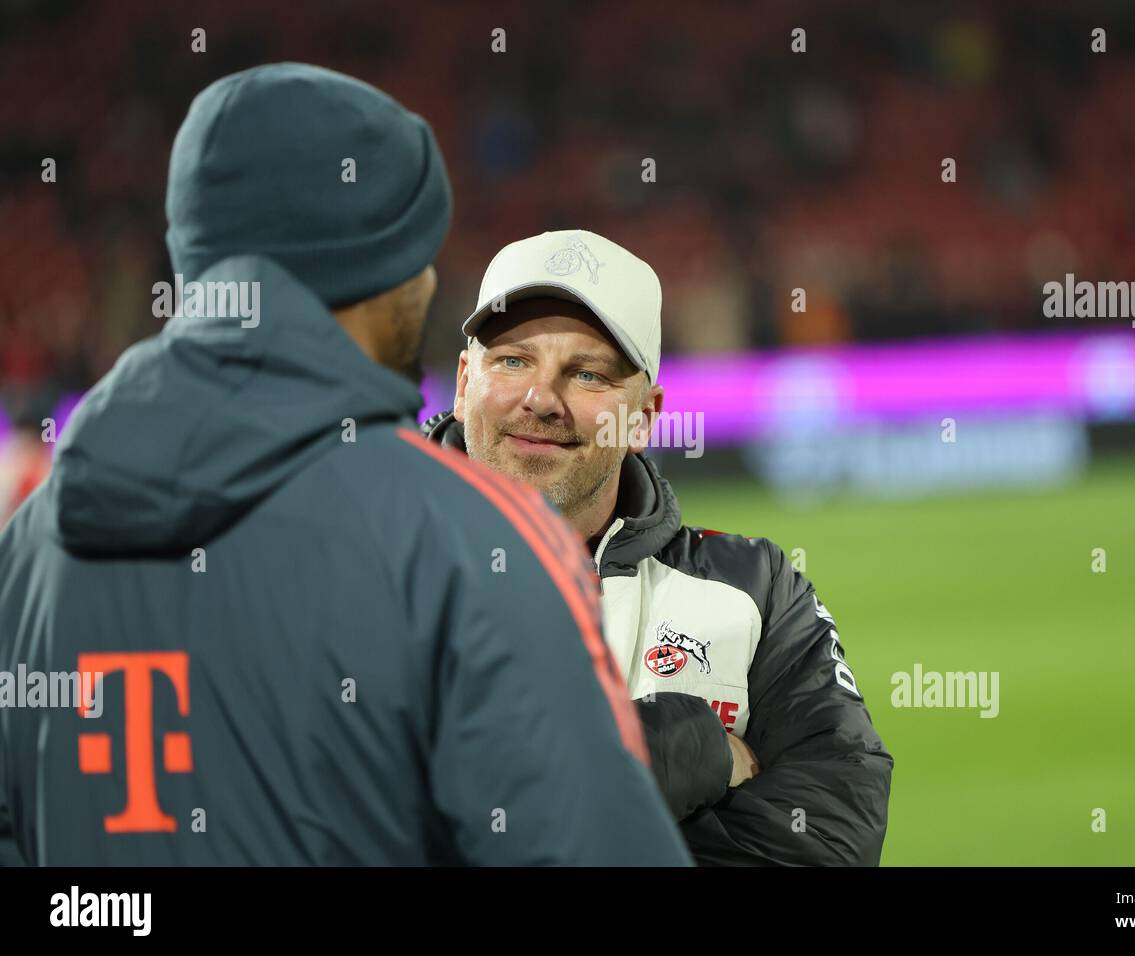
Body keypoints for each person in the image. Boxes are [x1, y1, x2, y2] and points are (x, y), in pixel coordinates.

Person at [0, 66, 690, 867]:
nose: (430, 283)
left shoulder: (30, 549)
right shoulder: (472, 545)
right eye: (422, 254)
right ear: (384, 273)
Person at [424, 229, 893, 865]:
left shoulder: (758, 590)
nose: (540, 400)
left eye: (586, 374)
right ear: (461, 381)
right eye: (512, 361)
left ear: (644, 415)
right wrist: (690, 751)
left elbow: (834, 837)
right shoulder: (368, 566)